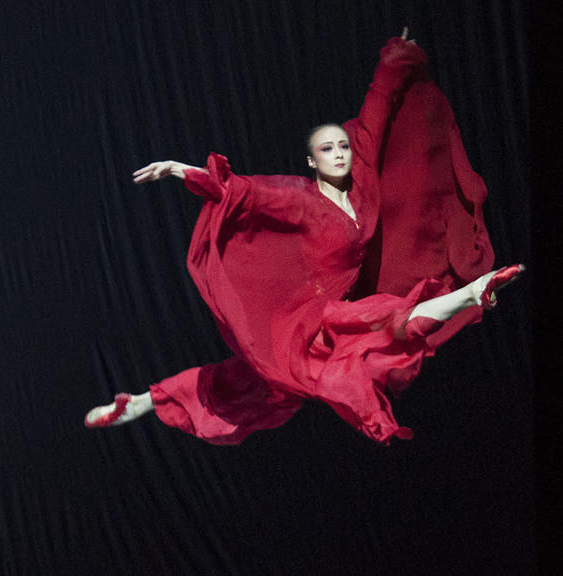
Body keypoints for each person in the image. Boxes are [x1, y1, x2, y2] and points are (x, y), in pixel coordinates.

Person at [85, 29, 522, 444]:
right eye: (326, 149)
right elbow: (243, 191)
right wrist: (183, 170)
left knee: (269, 377)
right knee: (376, 323)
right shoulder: (301, 200)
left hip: (334, 311)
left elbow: (376, 111)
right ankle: (474, 292)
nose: (338, 153)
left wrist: (395, 60)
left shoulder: (364, 182)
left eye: (342, 146)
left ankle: (144, 401)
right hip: (299, 320)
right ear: (312, 162)